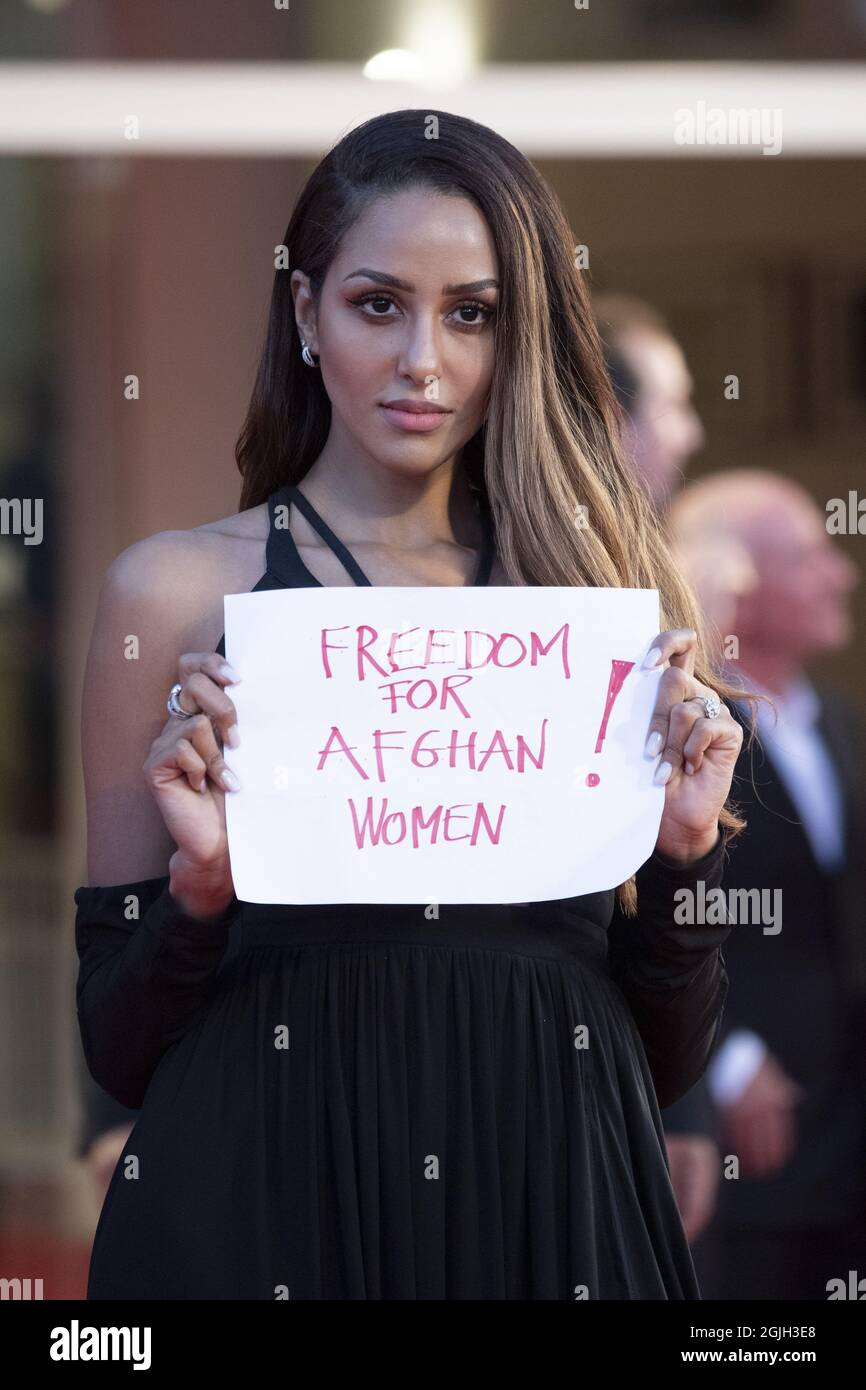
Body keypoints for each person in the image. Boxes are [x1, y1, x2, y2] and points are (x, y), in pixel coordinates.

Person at [74, 108, 749, 1301]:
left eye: (471, 313)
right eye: (377, 304)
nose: (423, 361)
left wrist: (683, 853)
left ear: (518, 332)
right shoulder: (172, 590)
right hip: (263, 1194)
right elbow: (118, 1052)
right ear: (304, 315)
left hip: (550, 1196)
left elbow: (661, 1050)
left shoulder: (595, 606)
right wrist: (194, 895)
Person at [669, 469, 866, 1299]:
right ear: (737, 587)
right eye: (809, 557)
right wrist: (728, 1058)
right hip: (747, 1131)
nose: (841, 573)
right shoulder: (687, 731)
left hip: (848, 1124)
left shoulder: (842, 721)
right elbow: (659, 906)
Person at [593, 292, 721, 1248]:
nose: (694, 429)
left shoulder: (667, 600)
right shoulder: (556, 621)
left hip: (635, 1090)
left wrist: (683, 1107)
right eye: (672, 404)